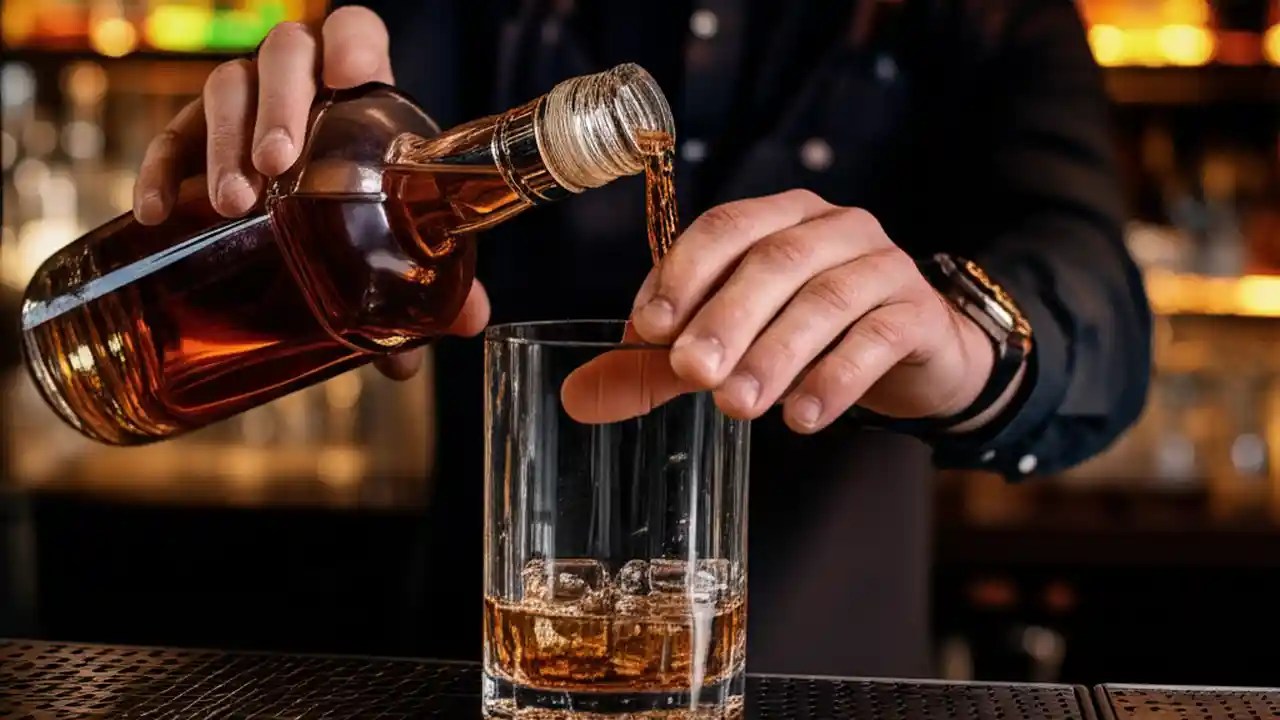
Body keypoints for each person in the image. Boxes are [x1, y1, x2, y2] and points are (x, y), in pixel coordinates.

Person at [131, 0, 1151, 677]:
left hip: (833, 678)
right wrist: (268, 169)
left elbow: (1094, 302)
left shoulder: (984, 18)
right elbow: (358, 147)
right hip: (483, 676)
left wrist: (959, 339)